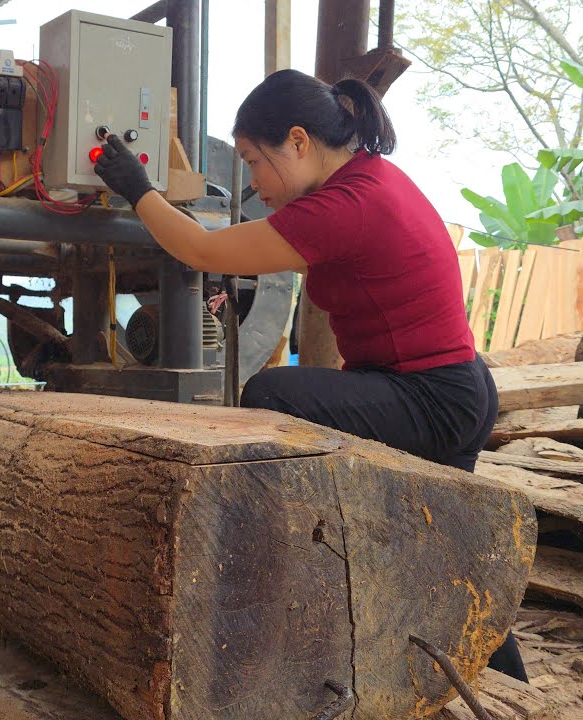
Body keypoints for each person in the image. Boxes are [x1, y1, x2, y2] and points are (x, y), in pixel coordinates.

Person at [93, 68, 527, 683]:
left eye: (252, 160)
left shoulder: (346, 204)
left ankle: (276, 585)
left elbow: (203, 250)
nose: (251, 182)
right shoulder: (370, 180)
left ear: (297, 142)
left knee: (272, 392)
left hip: (432, 397)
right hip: (459, 387)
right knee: (443, 557)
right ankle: (512, 691)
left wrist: (138, 189)